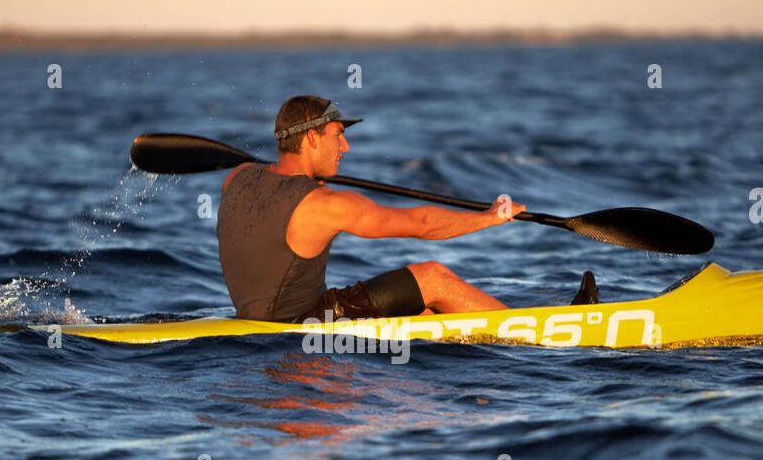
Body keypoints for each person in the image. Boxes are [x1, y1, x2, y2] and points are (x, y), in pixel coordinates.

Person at [216, 94, 600, 323]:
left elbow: (275, 195)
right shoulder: (323, 204)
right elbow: (418, 223)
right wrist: (489, 218)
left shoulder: (236, 178)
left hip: (257, 322)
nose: (345, 148)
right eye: (339, 136)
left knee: (429, 313)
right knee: (433, 278)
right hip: (303, 326)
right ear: (312, 138)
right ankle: (540, 333)